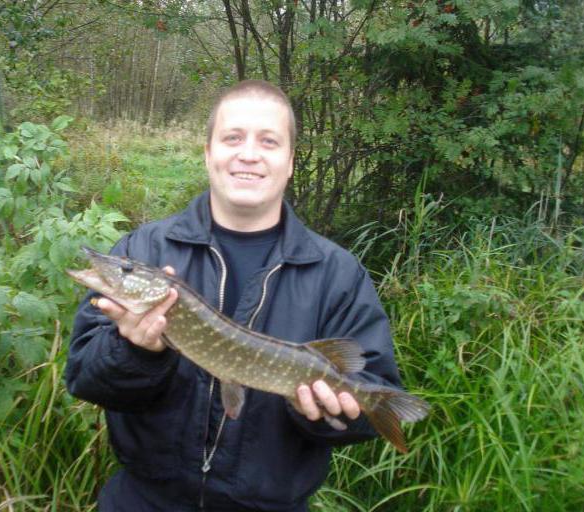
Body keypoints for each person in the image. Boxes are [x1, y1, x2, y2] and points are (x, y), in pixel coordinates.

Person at [66, 80, 403, 511]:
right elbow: (85, 378)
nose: (248, 153)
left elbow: (367, 401)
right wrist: (135, 351)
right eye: (232, 138)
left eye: (268, 141)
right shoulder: (143, 249)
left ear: (291, 162)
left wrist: (325, 414)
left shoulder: (337, 274)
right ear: (208, 153)